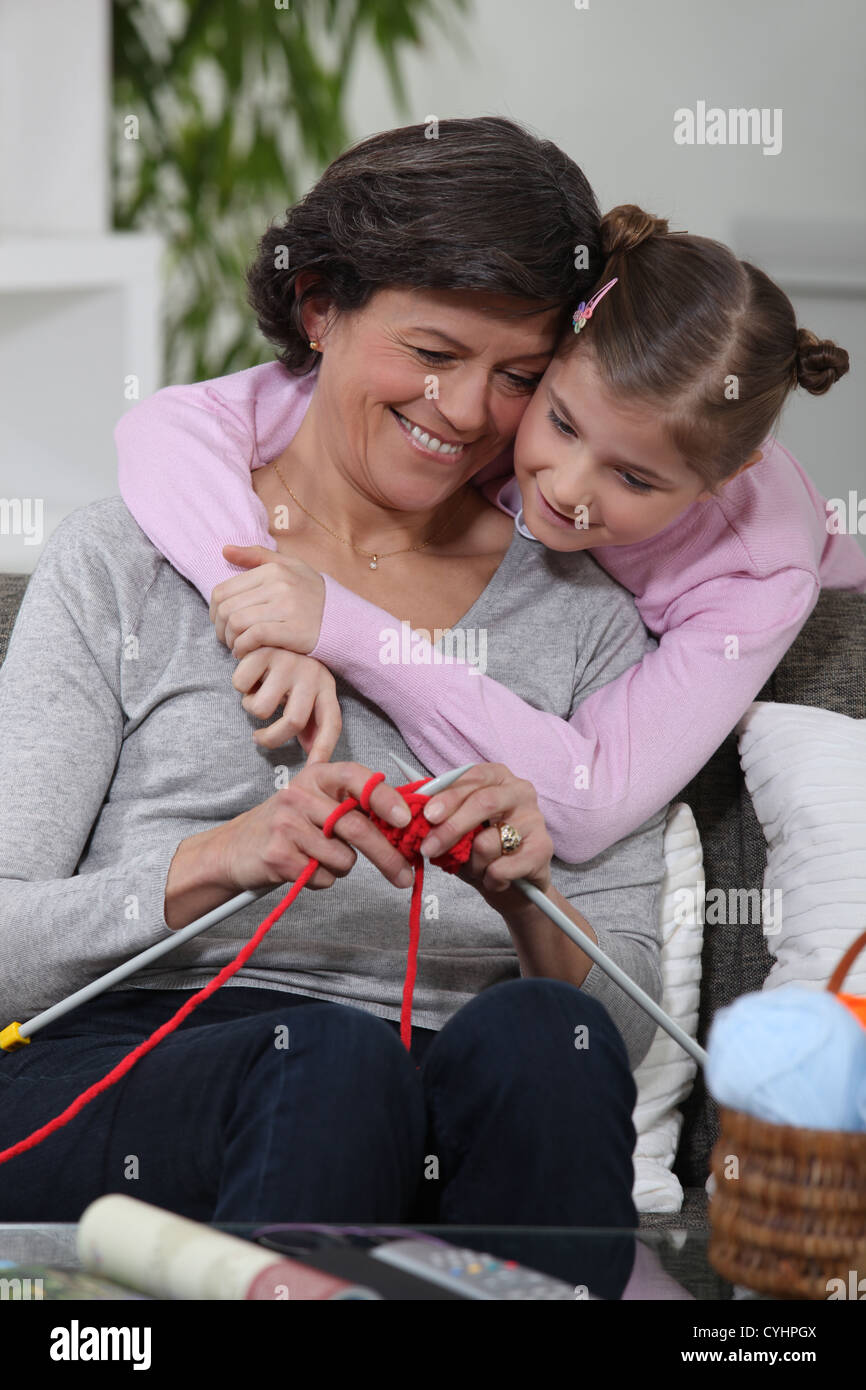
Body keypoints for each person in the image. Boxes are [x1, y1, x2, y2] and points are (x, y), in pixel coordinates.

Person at [0, 118, 664, 1300]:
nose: (466, 412)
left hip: (446, 1096)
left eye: (517, 377)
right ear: (318, 306)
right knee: (333, 1056)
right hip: (135, 1070)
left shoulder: (586, 624)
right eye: (431, 352)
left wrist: (527, 902)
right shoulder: (129, 560)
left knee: (544, 1042)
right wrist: (218, 856)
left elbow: (620, 1031)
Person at [116, 206, 866, 866]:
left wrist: (340, 626)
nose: (567, 488)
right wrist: (259, 610)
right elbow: (169, 426)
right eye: (562, 423)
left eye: (634, 480)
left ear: (728, 476)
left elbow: (589, 801)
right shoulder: (505, 394)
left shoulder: (759, 578)